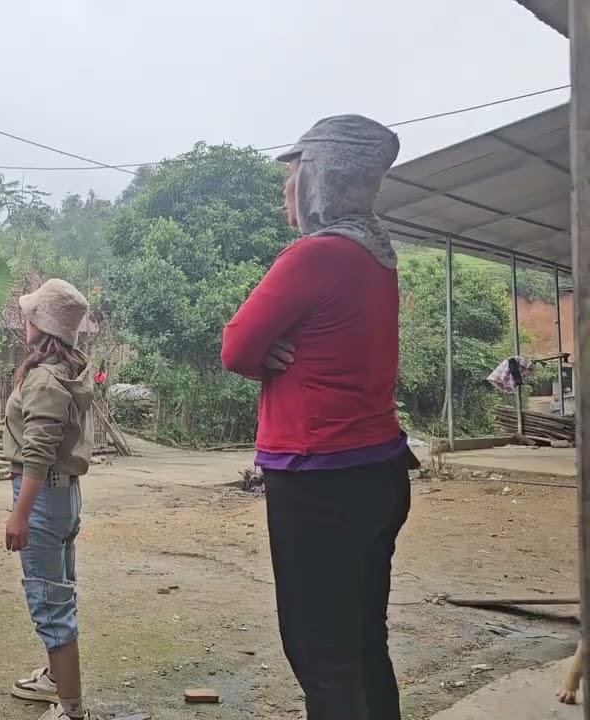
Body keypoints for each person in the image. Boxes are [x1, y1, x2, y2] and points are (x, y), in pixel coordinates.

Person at [221, 114, 413, 720]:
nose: (286, 191)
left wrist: (264, 353)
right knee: (363, 641)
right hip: (379, 472)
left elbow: (235, 348)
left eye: (293, 176)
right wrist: (268, 349)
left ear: (320, 179)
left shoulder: (317, 255)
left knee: (321, 654)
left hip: (320, 479)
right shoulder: (376, 253)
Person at [3, 278, 95, 720]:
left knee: (50, 603)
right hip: (63, 495)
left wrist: (19, 514)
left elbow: (38, 452)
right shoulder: (70, 369)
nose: (26, 321)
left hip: (42, 496)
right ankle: (58, 680)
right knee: (60, 592)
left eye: (31, 315)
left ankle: (71, 709)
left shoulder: (44, 378)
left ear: (44, 325)